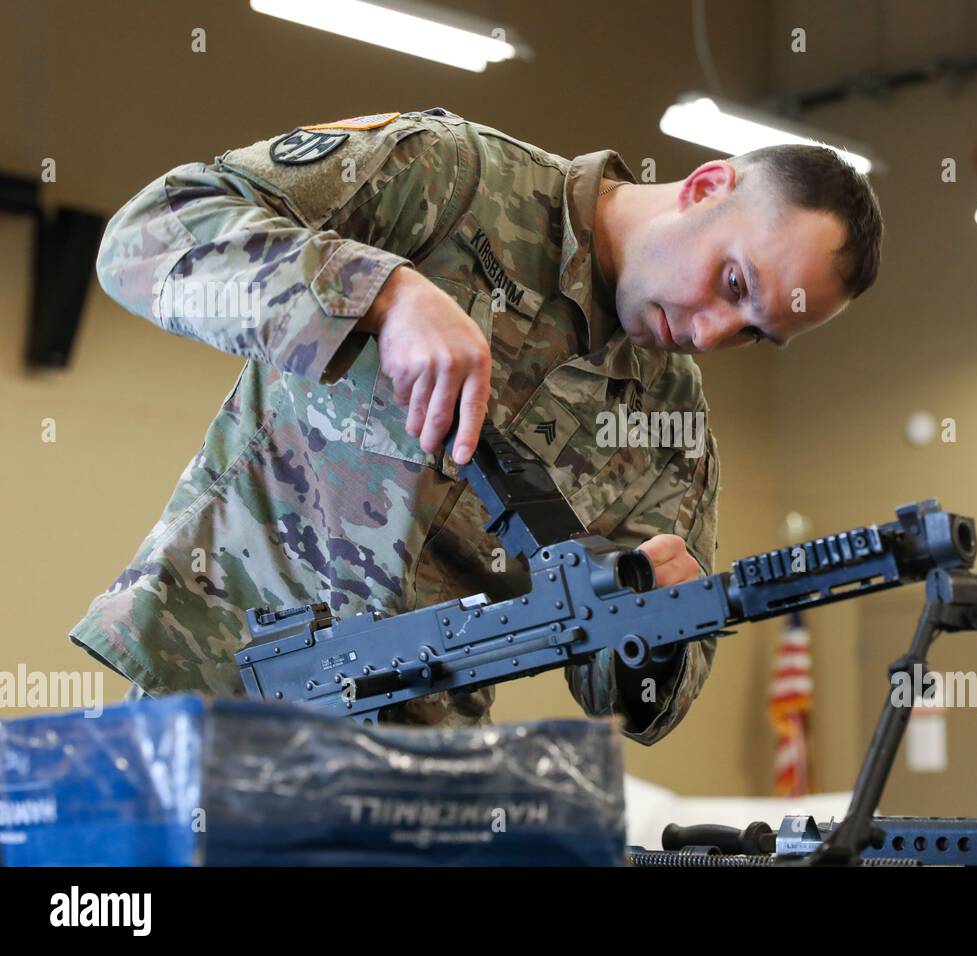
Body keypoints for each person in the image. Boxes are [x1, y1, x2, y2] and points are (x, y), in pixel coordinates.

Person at [77, 107, 883, 742]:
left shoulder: (668, 422)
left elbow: (643, 708)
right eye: (732, 282)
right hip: (218, 688)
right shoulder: (454, 175)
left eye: (754, 332)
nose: (712, 333)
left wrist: (658, 623)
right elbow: (148, 234)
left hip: (417, 777)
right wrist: (382, 292)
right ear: (706, 187)